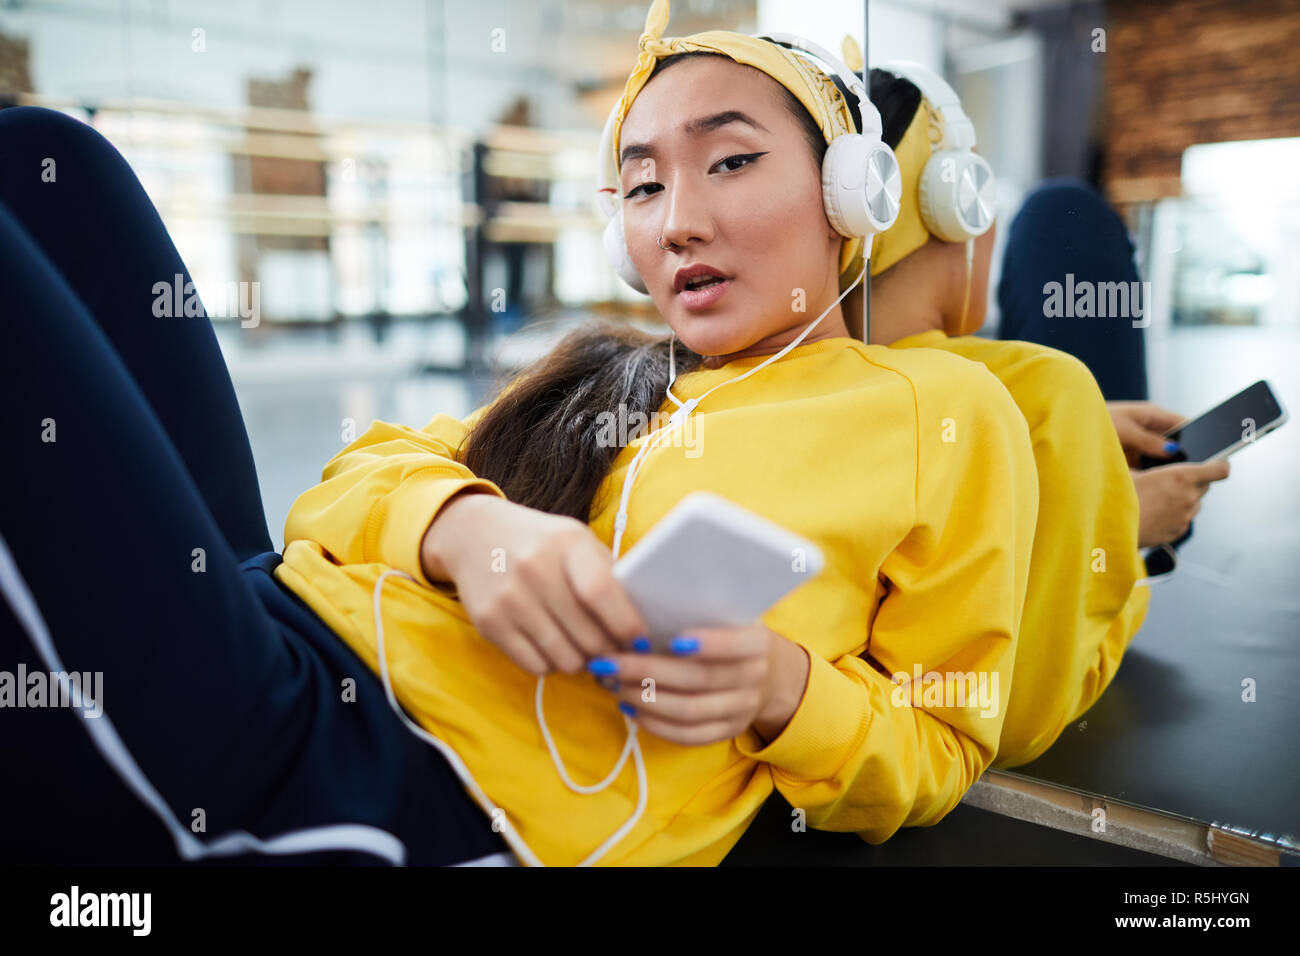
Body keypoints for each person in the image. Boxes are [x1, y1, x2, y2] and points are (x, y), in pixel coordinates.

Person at [1, 0, 1039, 867]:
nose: (676, 218)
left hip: (363, 765)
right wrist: (468, 529)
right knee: (49, 162)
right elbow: (350, 478)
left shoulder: (935, 413)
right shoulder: (614, 372)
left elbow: (942, 735)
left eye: (728, 162)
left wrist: (784, 687)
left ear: (844, 191)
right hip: (274, 595)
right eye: (641, 184)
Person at [838, 60, 1230, 767]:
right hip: (1036, 647)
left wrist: (1080, 438)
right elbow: (1011, 717)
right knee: (1063, 214)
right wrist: (1120, 524)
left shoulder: (762, 381)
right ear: (954, 211)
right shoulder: (1047, 389)